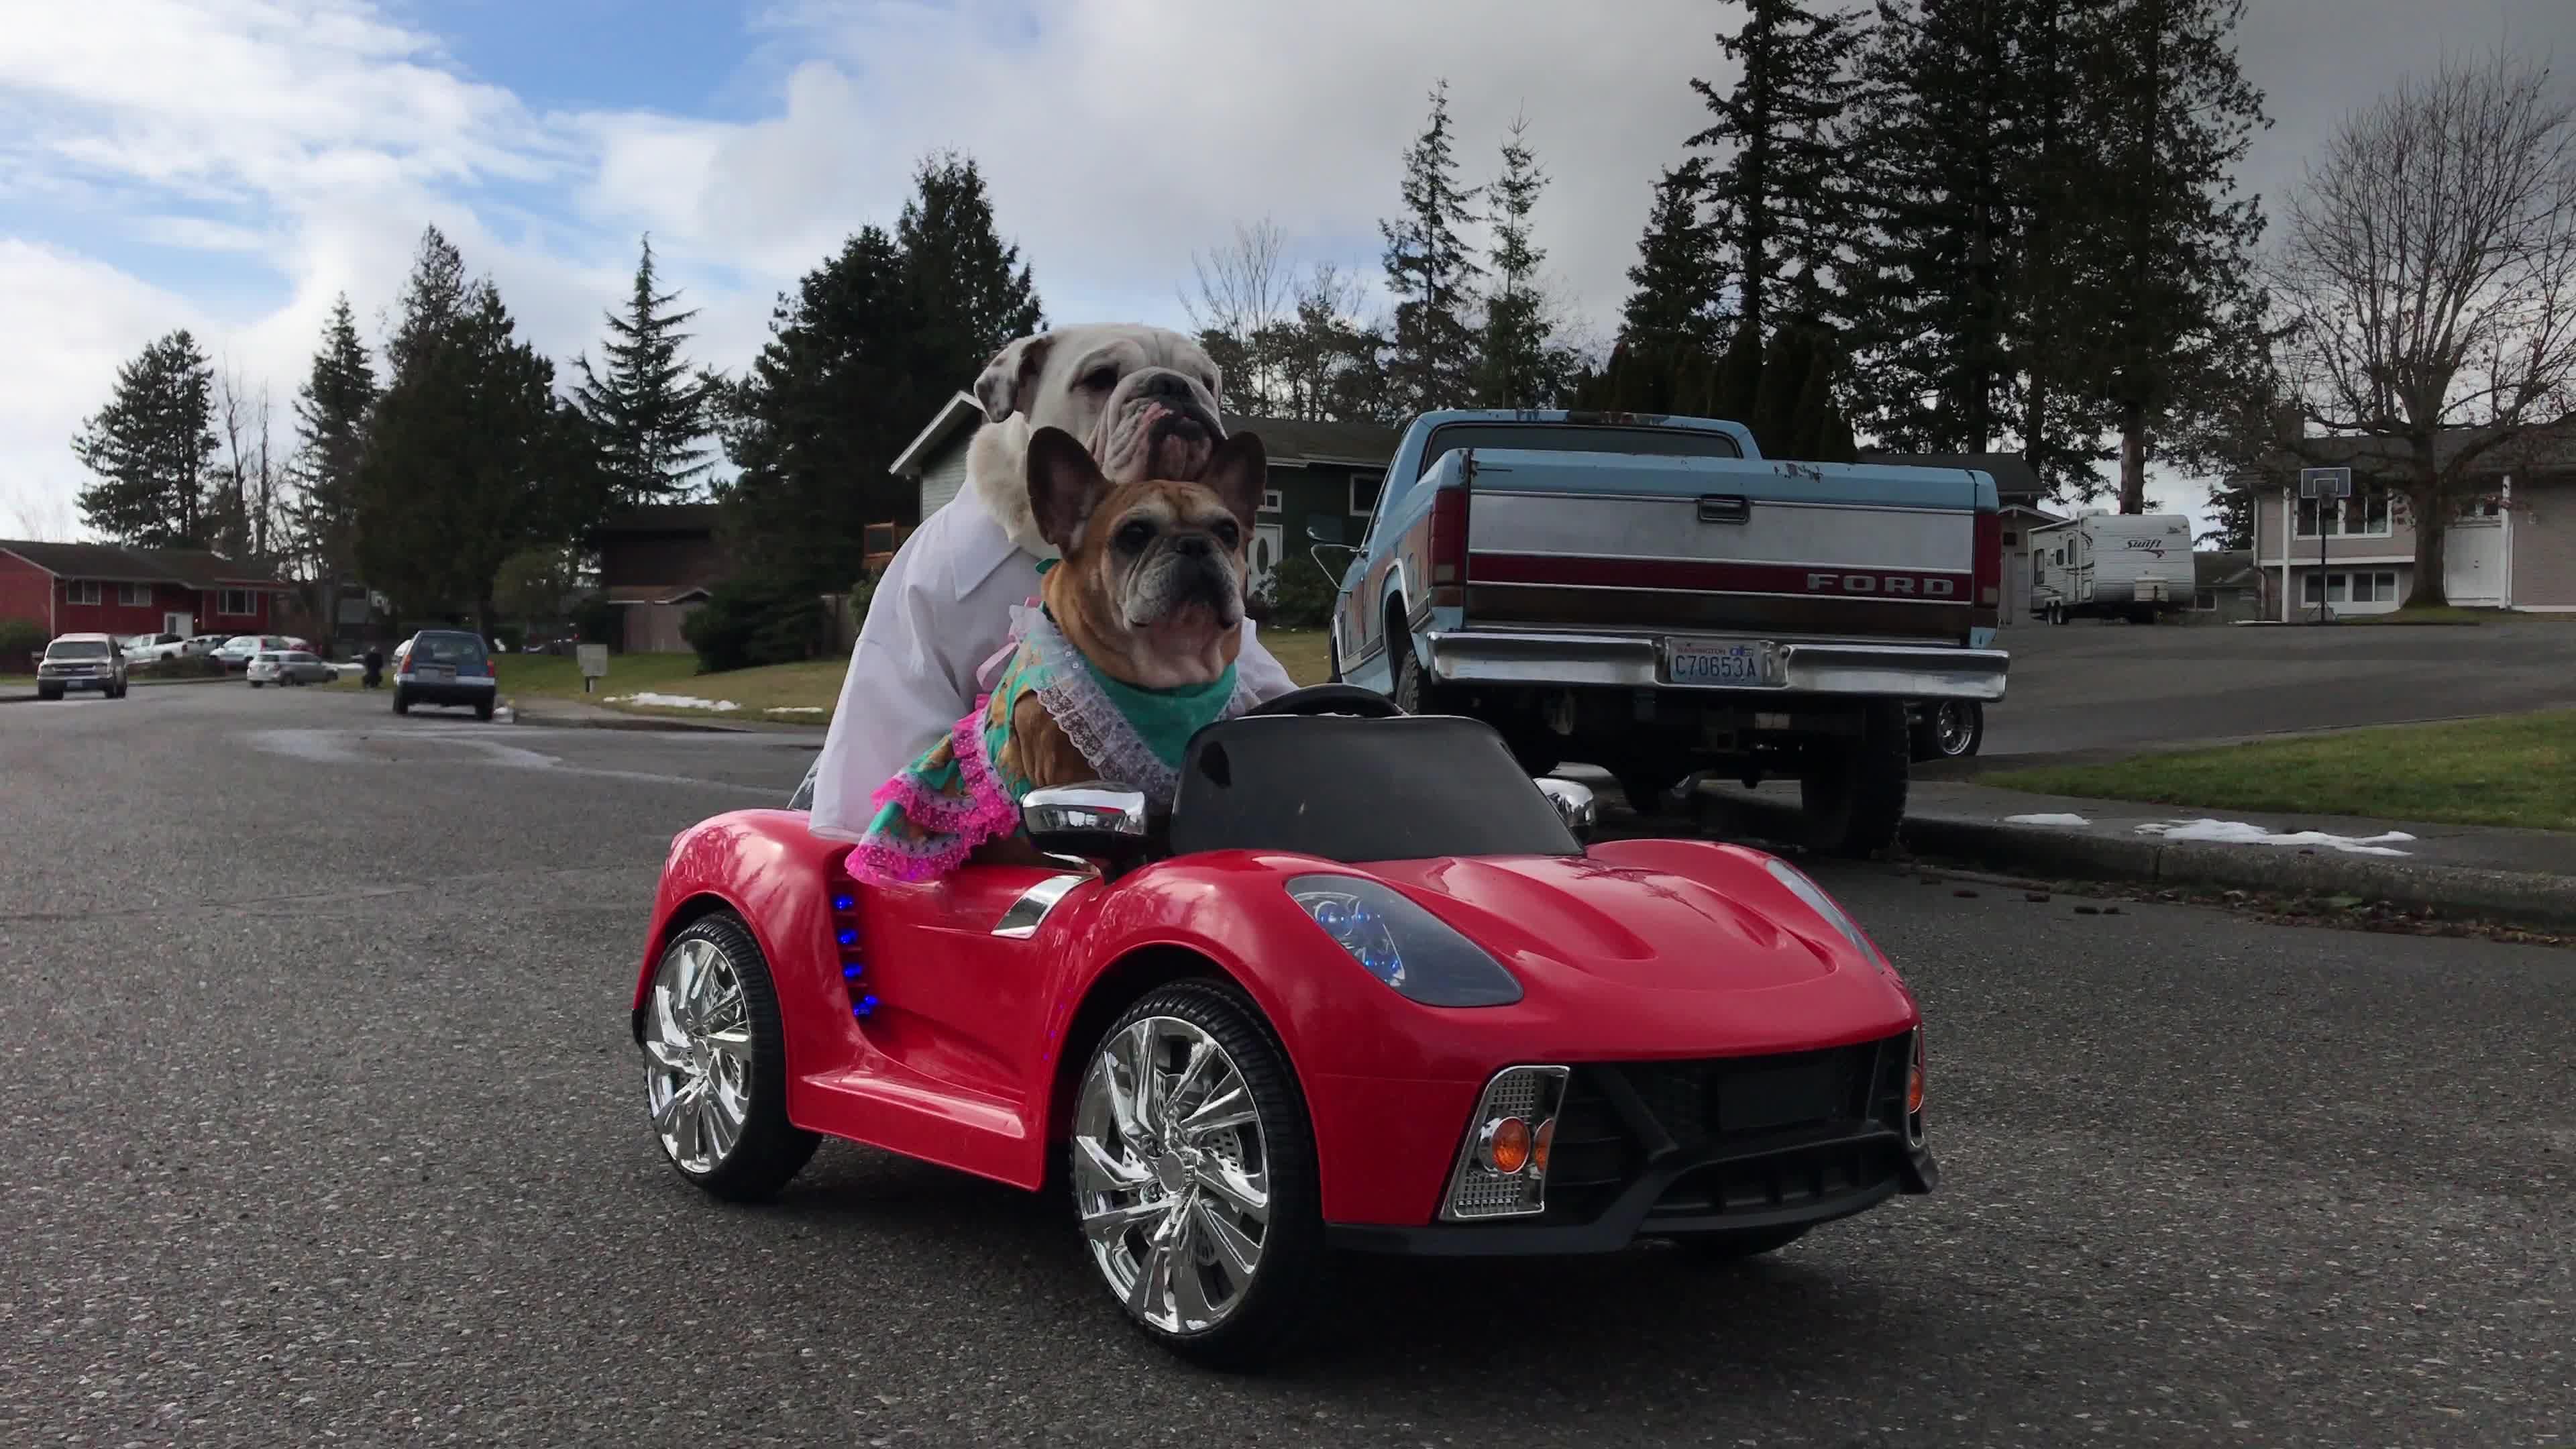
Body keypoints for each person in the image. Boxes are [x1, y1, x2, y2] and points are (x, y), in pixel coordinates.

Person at [801, 325, 1301, 842]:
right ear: (1018, 392)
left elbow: (1257, 695)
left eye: (1201, 386)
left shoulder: (1187, 559)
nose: (1173, 403)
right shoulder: (944, 574)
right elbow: (878, 770)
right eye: (1103, 379)